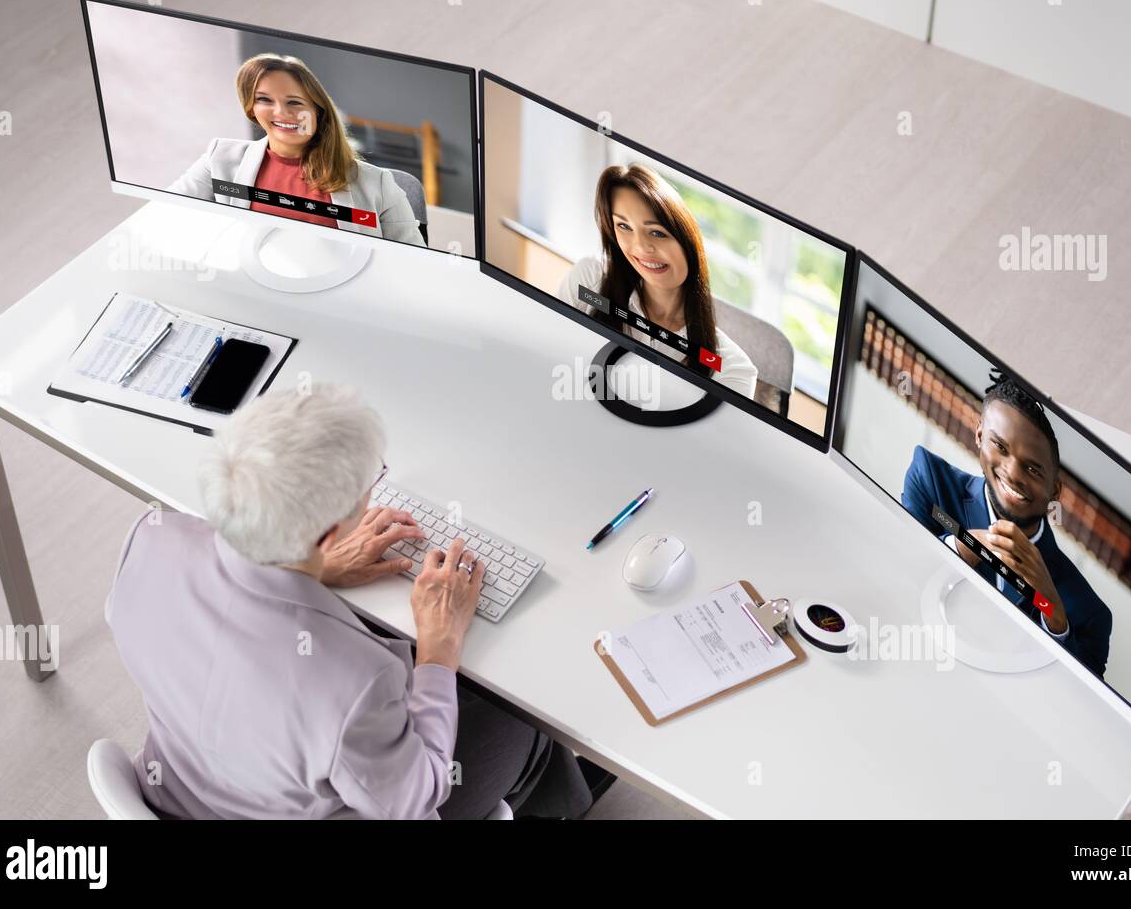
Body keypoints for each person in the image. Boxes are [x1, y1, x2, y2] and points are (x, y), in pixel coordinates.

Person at [106, 384, 605, 819]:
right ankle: (562, 801)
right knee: (521, 713)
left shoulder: (148, 539)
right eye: (374, 480)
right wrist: (438, 648)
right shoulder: (353, 682)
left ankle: (562, 797)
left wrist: (314, 569)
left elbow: (230, 645)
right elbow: (416, 797)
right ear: (327, 532)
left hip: (182, 790)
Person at [900, 372, 1113, 677]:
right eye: (1000, 446)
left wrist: (1051, 609)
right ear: (979, 435)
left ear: (1055, 490)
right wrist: (962, 545)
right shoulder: (931, 481)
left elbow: (1082, 707)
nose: (1013, 474)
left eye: (1033, 468)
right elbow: (899, 570)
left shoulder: (1090, 614)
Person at [168, 53, 425, 245]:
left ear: (318, 111)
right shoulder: (220, 158)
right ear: (252, 109)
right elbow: (165, 215)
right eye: (264, 100)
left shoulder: (377, 182)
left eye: (294, 102)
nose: (281, 112)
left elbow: (415, 263)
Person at [556, 163, 758, 399]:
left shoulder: (732, 369)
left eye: (657, 232)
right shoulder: (589, 282)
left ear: (688, 241)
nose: (640, 247)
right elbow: (550, 354)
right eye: (624, 226)